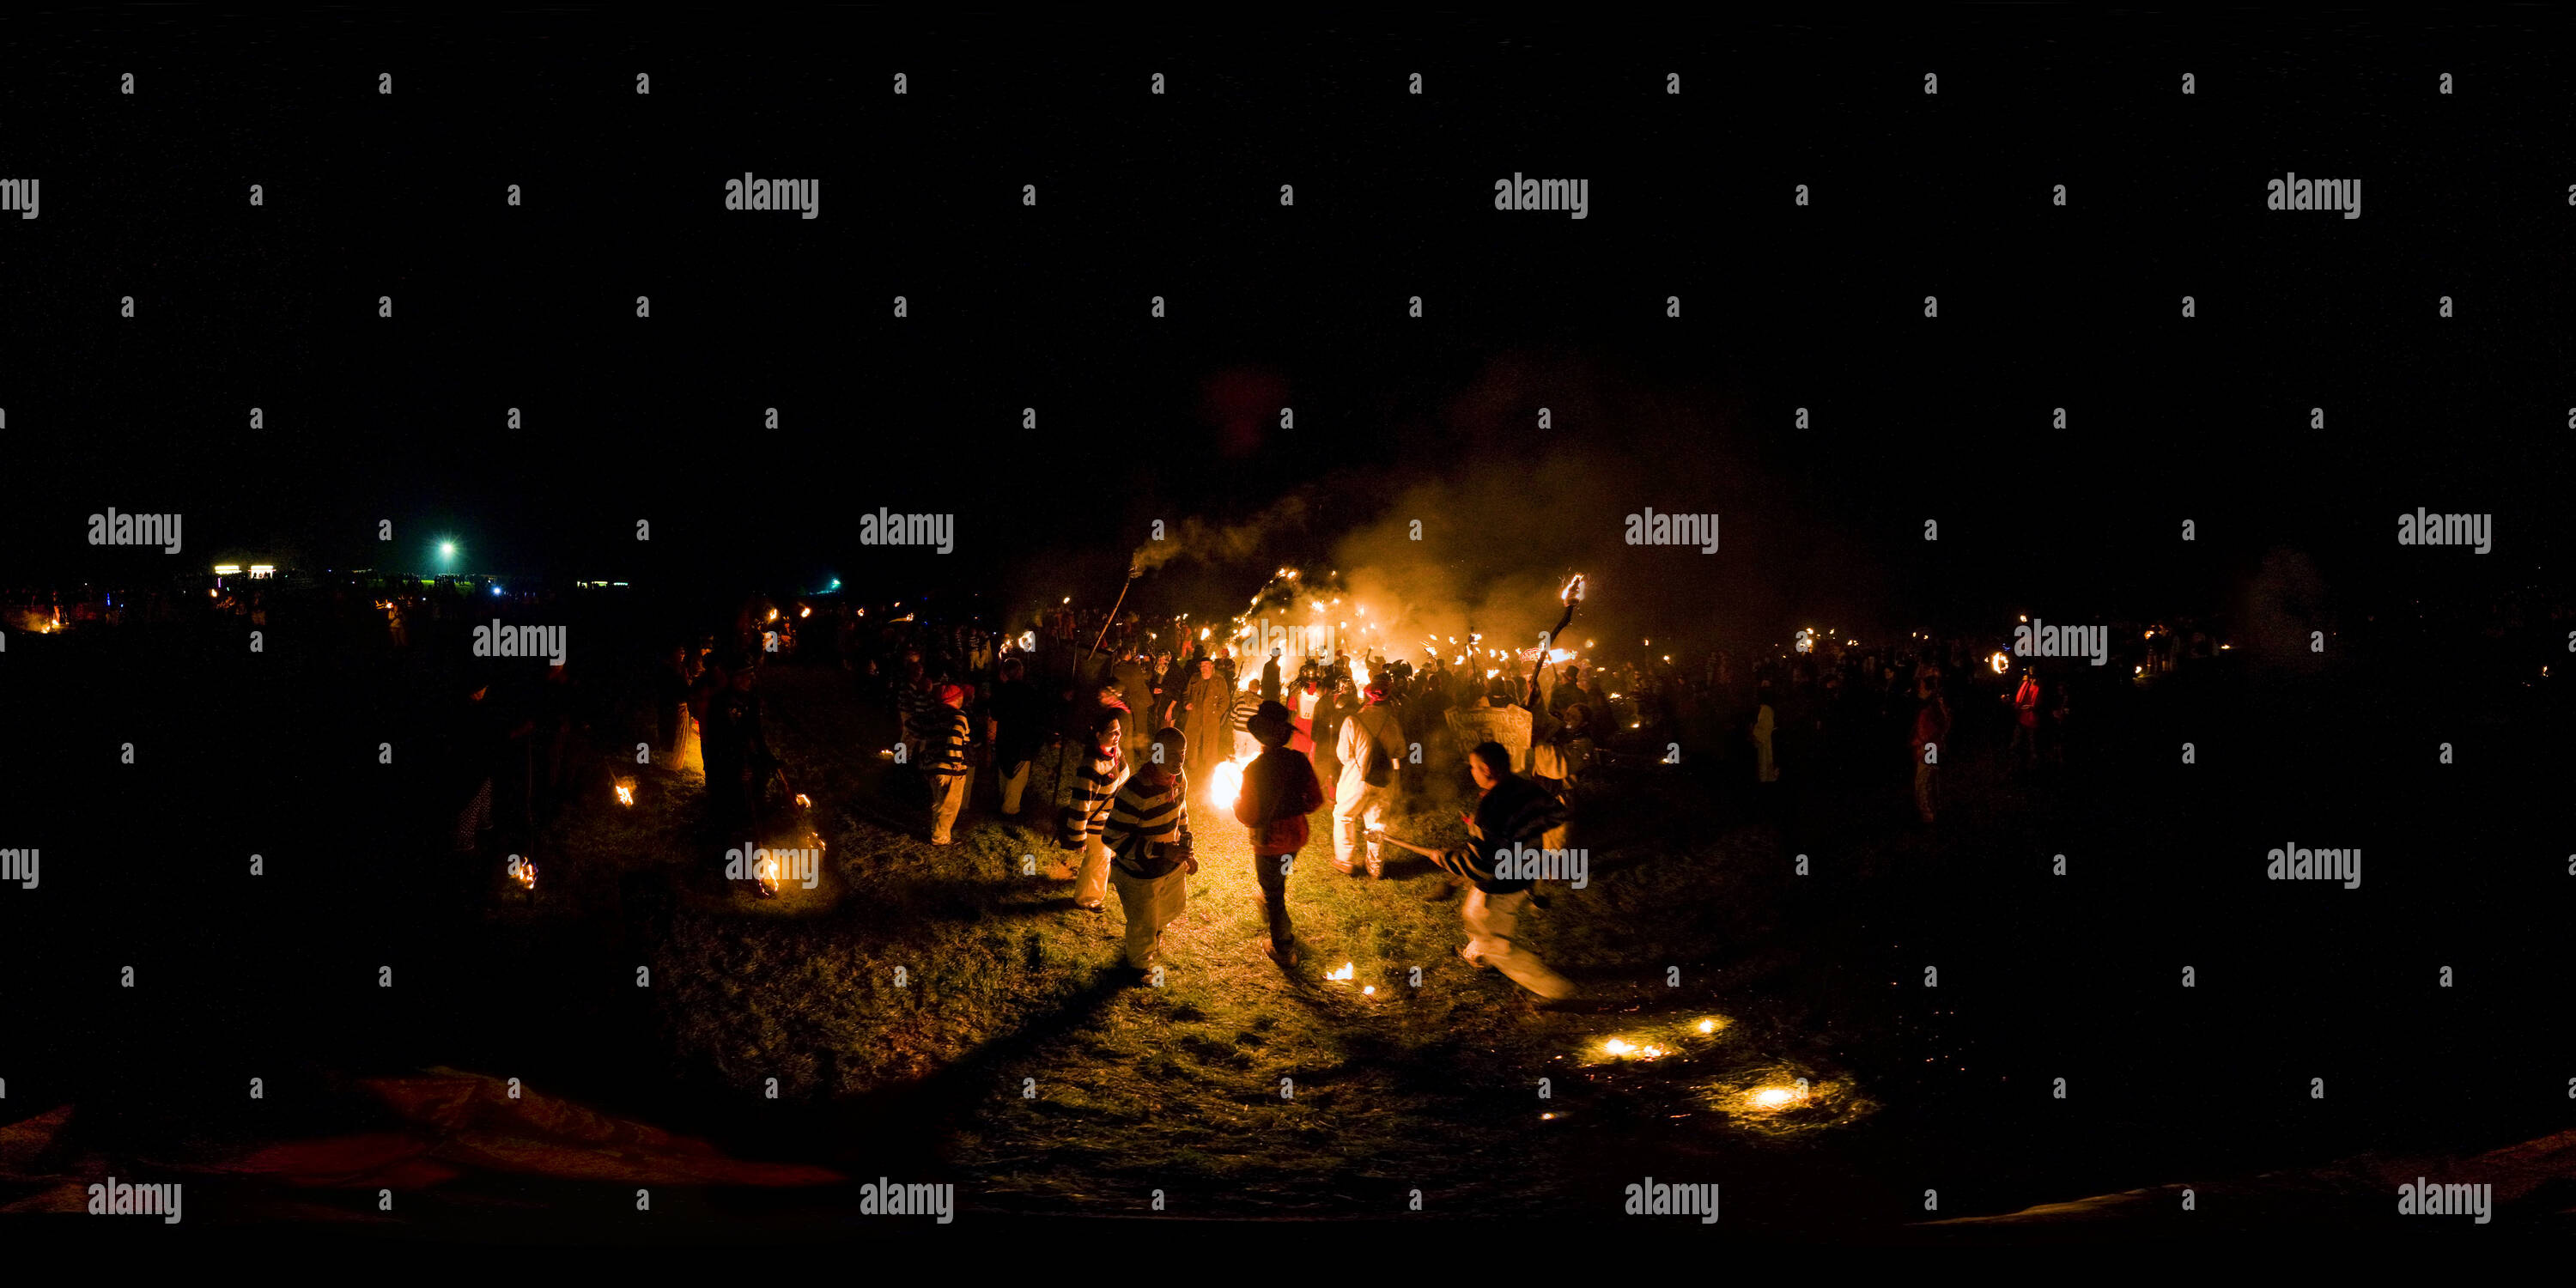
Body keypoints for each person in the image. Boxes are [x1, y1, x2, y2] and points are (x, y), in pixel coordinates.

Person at [1374, 742, 1576, 1000]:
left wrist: (1446, 858)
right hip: (1529, 871)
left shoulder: (1492, 806)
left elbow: (1480, 866)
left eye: (1473, 767)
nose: (1471, 771)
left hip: (1503, 882)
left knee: (1488, 930)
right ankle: (1480, 953)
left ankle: (1557, 991)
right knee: (1474, 914)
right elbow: (1557, 814)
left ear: (1487, 769)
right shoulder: (1526, 787)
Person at [1103, 727, 1198, 978]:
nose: (1179, 760)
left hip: (1169, 866)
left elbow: (1181, 810)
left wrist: (1186, 848)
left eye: (1183, 753)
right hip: (1139, 872)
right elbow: (1112, 836)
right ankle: (1139, 967)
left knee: (1172, 906)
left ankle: (1154, 932)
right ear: (1157, 752)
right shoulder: (1136, 791)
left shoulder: (1179, 778)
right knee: (1142, 923)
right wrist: (1159, 850)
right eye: (1171, 753)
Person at [1235, 701, 1322, 965]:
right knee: (1277, 879)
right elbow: (1316, 800)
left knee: (1275, 895)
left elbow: (1249, 815)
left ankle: (1284, 949)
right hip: (1296, 836)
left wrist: (1235, 804)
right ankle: (1270, 895)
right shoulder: (1299, 760)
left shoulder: (1254, 770)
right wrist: (1296, 807)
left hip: (1270, 840)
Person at [1332, 680, 1406, 878]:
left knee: (1344, 816)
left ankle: (1345, 861)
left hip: (1355, 780)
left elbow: (1343, 755)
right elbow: (1401, 751)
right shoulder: (1392, 722)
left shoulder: (1352, 720)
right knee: (1376, 824)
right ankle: (1375, 867)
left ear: (1365, 697)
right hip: (1383, 780)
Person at [1054, 712, 1127, 911]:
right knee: (1097, 861)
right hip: (1096, 824)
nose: (1118, 735)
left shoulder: (1116, 753)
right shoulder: (1091, 766)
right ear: (1098, 735)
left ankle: (1096, 885)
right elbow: (1080, 804)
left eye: (1119, 731)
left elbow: (1124, 774)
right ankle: (1087, 898)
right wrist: (1078, 837)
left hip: (1110, 820)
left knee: (1104, 858)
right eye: (1113, 732)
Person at [990, 657, 1044, 820]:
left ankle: (1003, 802)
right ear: (1019, 672)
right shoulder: (1029, 693)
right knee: (1017, 777)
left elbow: (994, 713)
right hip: (1022, 743)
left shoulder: (1001, 691)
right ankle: (1010, 810)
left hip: (1004, 739)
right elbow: (1037, 718)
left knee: (1004, 773)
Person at [922, 683, 975, 845]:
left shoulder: (932, 715)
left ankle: (937, 832)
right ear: (956, 698)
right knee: (949, 805)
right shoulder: (958, 716)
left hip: (932, 766)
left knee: (939, 802)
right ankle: (940, 838)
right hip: (950, 768)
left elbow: (913, 727)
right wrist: (955, 761)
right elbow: (955, 737)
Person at [1181, 657, 1230, 784]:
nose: (1204, 668)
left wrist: (1217, 713)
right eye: (1202, 666)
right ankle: (1192, 766)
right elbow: (1186, 693)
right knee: (1192, 740)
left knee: (1210, 742)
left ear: (1212, 666)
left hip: (1211, 718)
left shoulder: (1219, 681)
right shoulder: (1195, 678)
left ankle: (1208, 769)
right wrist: (1186, 704)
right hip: (1195, 716)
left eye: (1206, 665)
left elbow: (1225, 700)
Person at [1912, 670, 1950, 823]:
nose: (1919, 691)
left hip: (1929, 748)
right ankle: (1935, 809)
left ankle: (1929, 815)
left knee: (1925, 780)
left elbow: (1928, 733)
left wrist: (1918, 741)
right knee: (1931, 778)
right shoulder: (1936, 705)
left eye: (1921, 687)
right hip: (1933, 746)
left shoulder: (1930, 709)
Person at [2006, 669, 2040, 769]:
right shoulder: (2023, 684)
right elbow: (2017, 698)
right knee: (2017, 740)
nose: (2032, 679)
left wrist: (2034, 708)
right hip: (2021, 717)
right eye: (2030, 677)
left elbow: (2040, 703)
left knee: (2032, 742)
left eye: (2034, 677)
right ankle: (2014, 761)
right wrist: (2010, 700)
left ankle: (2033, 763)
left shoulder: (2039, 687)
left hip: (2032, 719)